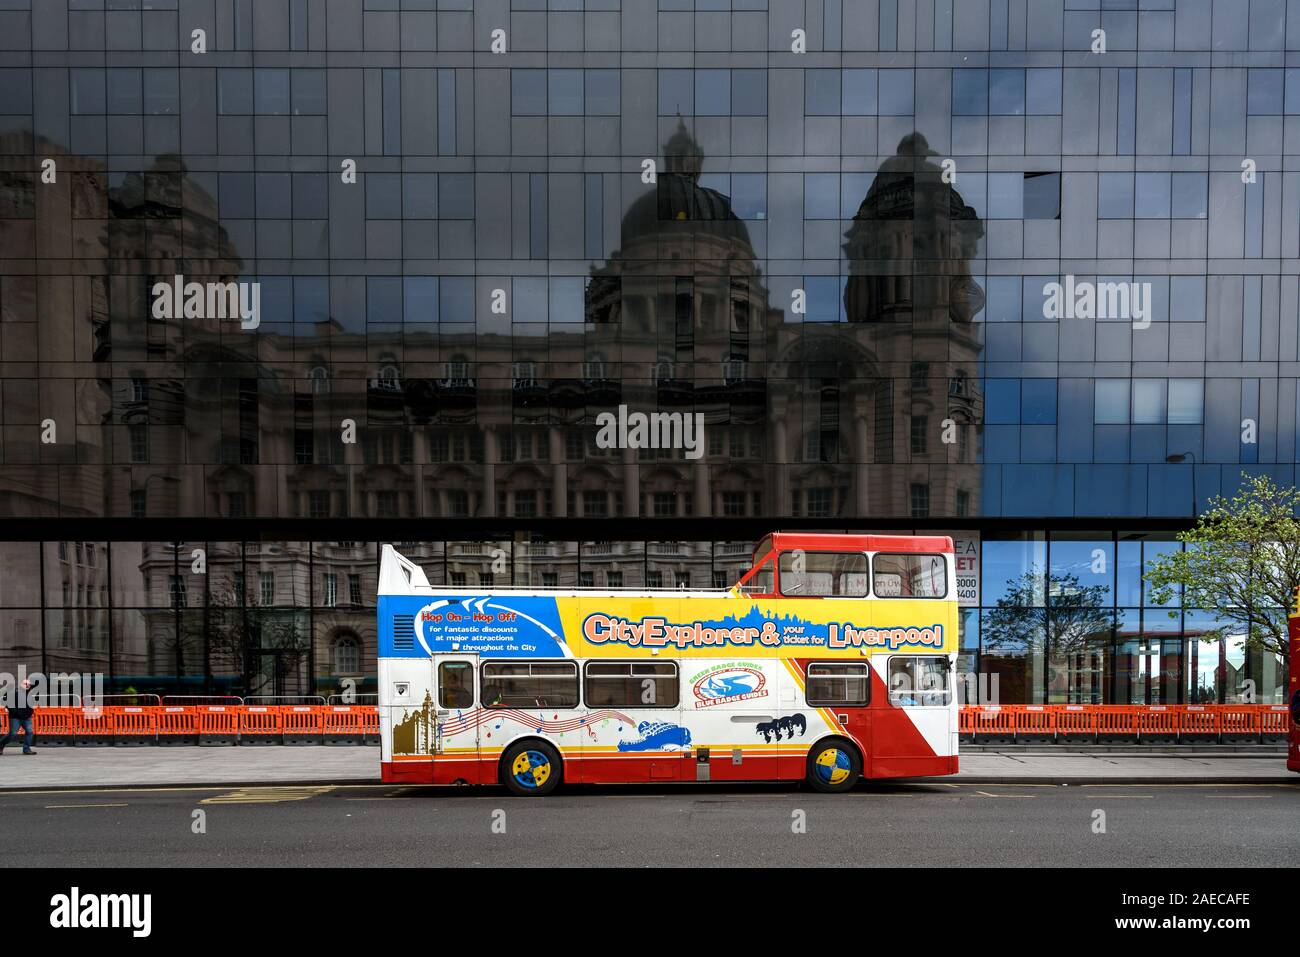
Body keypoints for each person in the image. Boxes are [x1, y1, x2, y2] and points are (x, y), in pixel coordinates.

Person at [0, 677, 37, 755]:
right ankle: (1, 744)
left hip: (27, 717)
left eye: (29, 684)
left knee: (29, 732)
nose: (27, 685)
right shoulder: (13, 692)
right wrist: (15, 712)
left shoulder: (29, 693)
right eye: (25, 684)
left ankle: (26, 749)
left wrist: (30, 712)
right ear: (21, 684)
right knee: (12, 733)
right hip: (15, 717)